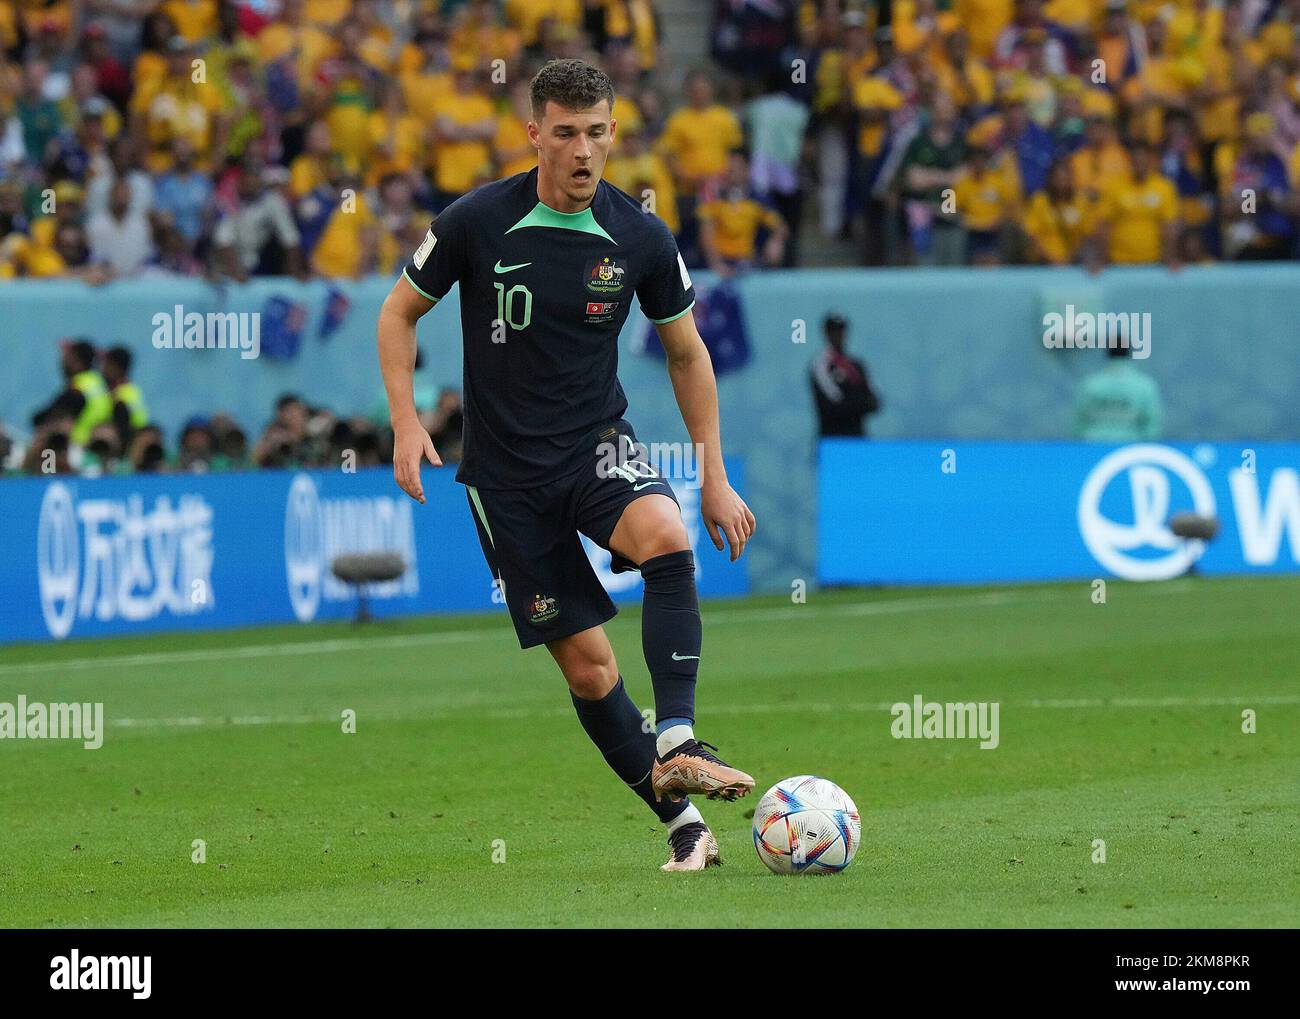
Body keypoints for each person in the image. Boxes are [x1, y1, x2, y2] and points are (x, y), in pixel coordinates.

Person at [377, 58, 756, 873]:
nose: (583, 150)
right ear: (535, 134)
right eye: (566, 133)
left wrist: (714, 474)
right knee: (591, 671)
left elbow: (687, 354)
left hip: (595, 446)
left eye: (596, 133)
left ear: (613, 133)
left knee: (664, 531)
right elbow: (398, 312)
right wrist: (406, 422)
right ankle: (684, 822)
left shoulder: (642, 237)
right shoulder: (478, 221)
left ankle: (681, 734)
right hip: (505, 478)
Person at [1073, 342, 1163, 442]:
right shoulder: (1145, 386)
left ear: (1107, 352)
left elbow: (1077, 423)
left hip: (1092, 449)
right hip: (1131, 450)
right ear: (1129, 352)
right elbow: (1152, 426)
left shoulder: (1089, 385)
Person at [811, 313, 880, 437]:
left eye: (841, 330)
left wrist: (857, 404)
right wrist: (859, 404)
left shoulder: (856, 365)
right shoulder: (821, 366)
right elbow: (832, 405)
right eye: (833, 330)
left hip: (857, 438)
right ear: (826, 333)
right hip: (833, 438)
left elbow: (874, 401)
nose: (838, 335)